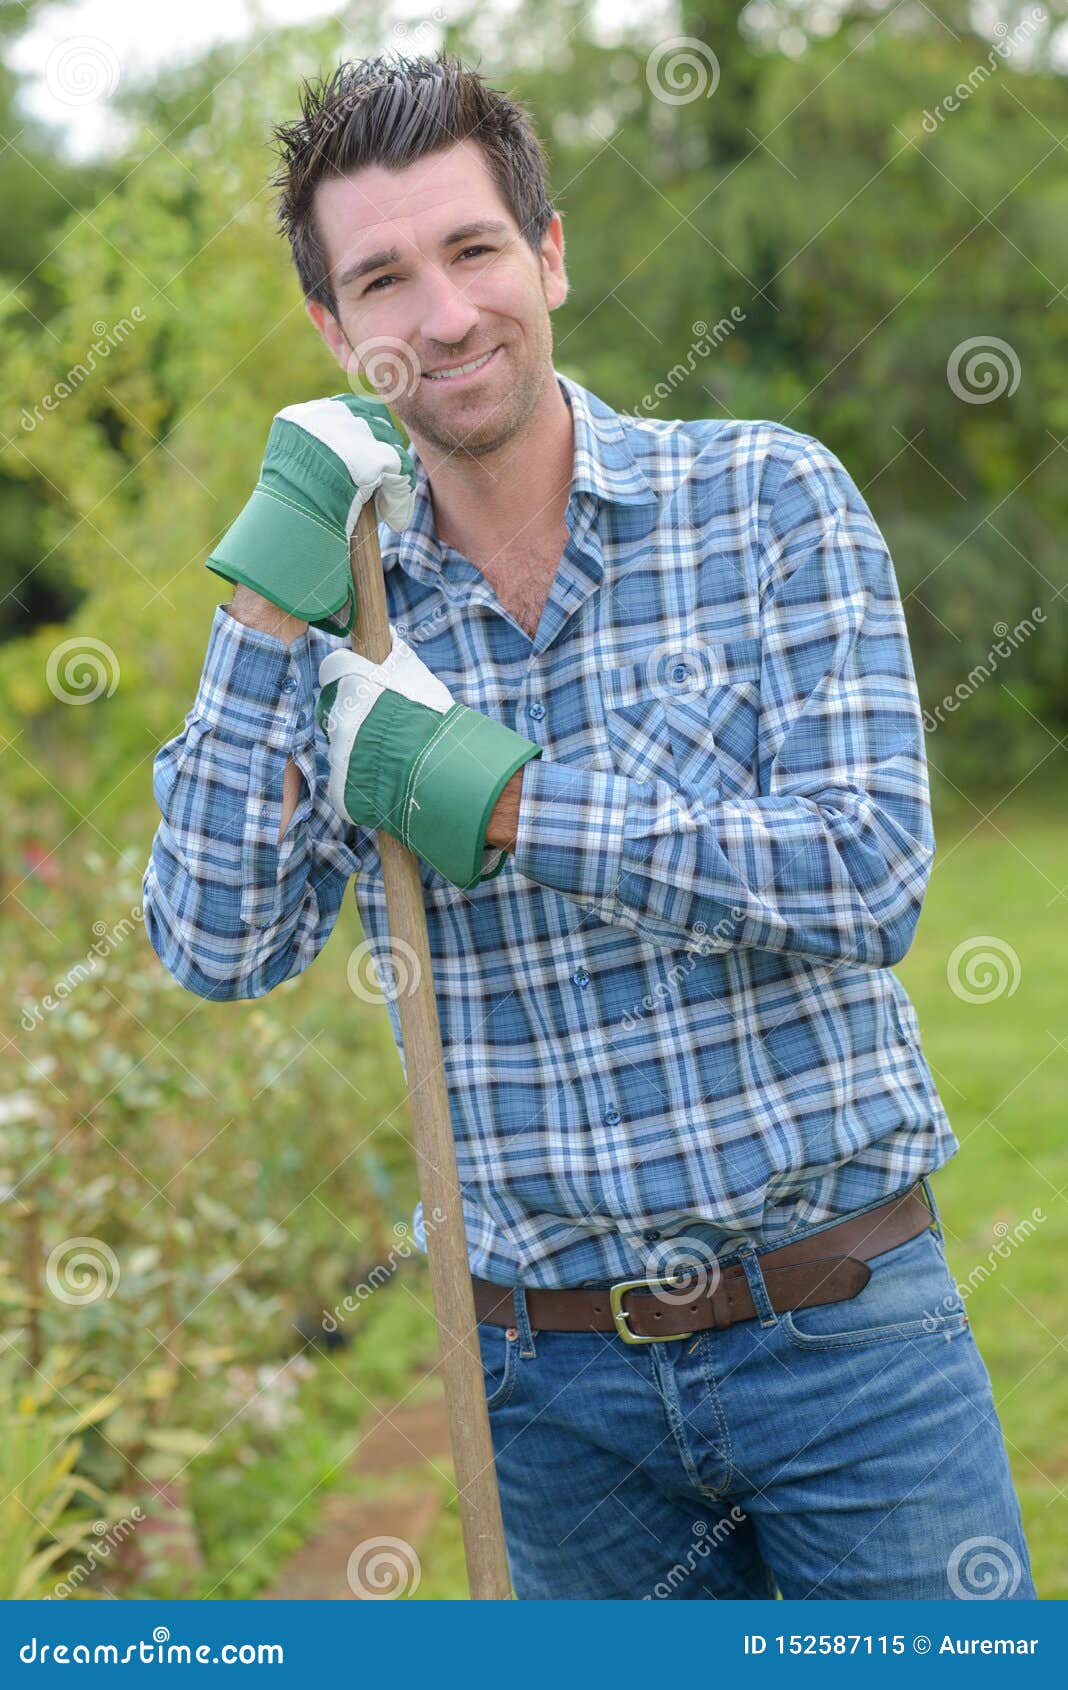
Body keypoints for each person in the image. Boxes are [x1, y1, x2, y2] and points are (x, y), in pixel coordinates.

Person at [143, 51, 1036, 1601]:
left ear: (548, 252)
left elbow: (866, 867)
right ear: (334, 332)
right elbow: (213, 940)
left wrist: (503, 801)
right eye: (382, 279)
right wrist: (262, 601)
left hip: (845, 1333)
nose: (441, 315)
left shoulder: (768, 501)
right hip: (546, 1397)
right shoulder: (341, 608)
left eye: (473, 249)